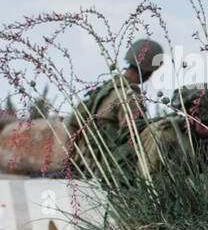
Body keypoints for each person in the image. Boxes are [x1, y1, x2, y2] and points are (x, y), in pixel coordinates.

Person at [67, 38, 165, 181]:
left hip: (89, 165)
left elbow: (73, 121)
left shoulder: (105, 90)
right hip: (109, 171)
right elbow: (134, 138)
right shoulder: (129, 96)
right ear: (145, 70)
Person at [136, 84, 208, 181]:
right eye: (204, 123)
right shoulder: (164, 134)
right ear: (191, 118)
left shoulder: (199, 141)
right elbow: (148, 178)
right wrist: (197, 185)